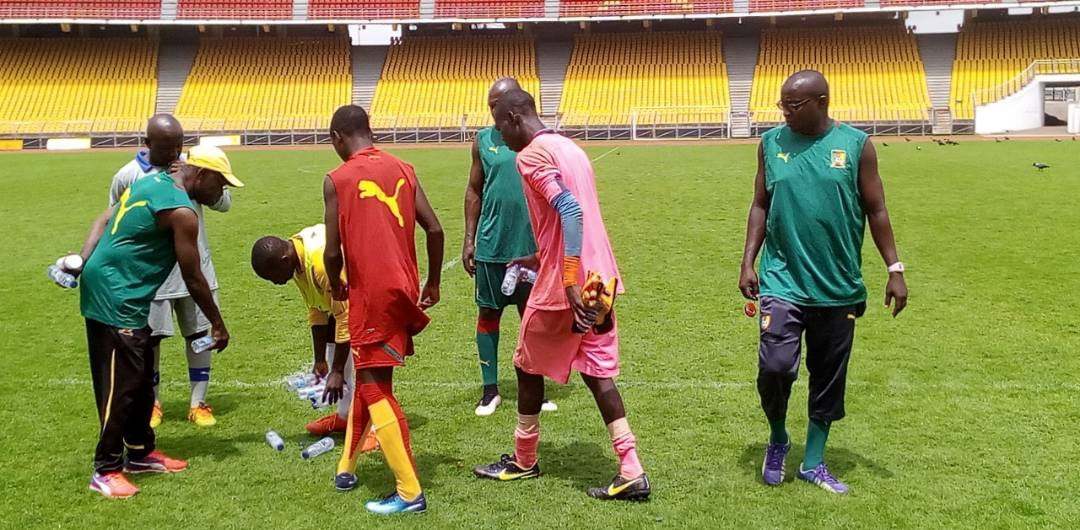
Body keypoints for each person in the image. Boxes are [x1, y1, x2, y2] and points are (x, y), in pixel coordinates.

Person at [472, 89, 650, 501]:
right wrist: (538, 256)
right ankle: (631, 468)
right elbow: (573, 218)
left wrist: (566, 276)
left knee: (525, 366)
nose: (499, 132)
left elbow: (569, 210)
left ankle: (522, 459)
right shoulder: (569, 147)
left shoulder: (530, 156)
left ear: (515, 117)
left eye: (500, 123)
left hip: (565, 286)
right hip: (601, 280)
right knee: (597, 372)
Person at [738, 70, 909, 495]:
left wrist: (895, 268)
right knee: (774, 368)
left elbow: (877, 210)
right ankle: (778, 437)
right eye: (782, 105)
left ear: (822, 102)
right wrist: (748, 262)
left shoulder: (856, 145)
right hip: (783, 280)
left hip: (838, 286)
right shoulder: (771, 144)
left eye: (793, 106)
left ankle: (814, 461)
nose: (785, 113)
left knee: (828, 376)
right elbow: (760, 204)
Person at [66, 145, 241, 499]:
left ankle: (141, 452)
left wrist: (82, 258)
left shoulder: (150, 182)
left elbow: (103, 217)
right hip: (114, 295)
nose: (220, 193)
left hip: (127, 293)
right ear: (202, 175)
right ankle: (106, 469)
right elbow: (193, 278)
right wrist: (218, 324)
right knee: (121, 384)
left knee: (143, 374)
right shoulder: (182, 211)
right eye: (220, 184)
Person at [323, 105, 444, 514]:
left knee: (373, 387)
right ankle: (347, 466)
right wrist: (433, 282)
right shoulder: (404, 168)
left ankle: (409, 492)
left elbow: (331, 250)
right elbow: (436, 228)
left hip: (371, 295)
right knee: (377, 379)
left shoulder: (337, 179)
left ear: (338, 138)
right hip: (403, 290)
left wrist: (337, 282)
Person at [108, 114, 232, 428]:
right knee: (151, 340)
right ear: (148, 144)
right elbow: (114, 219)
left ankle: (198, 402)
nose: (174, 152)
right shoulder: (128, 175)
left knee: (199, 335)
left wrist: (193, 184)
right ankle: (153, 403)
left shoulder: (192, 167)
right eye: (166, 147)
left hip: (196, 270)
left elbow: (224, 202)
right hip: (152, 277)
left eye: (179, 144)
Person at [463, 77, 555, 416]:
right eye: (489, 106)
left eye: (497, 105)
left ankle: (535, 389)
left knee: (531, 317)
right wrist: (469, 238)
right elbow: (474, 190)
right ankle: (490, 390)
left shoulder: (538, 142)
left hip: (530, 246)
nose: (492, 112)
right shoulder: (483, 141)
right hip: (492, 244)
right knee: (489, 314)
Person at [249, 226, 378, 450]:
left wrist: (336, 371)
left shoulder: (319, 264)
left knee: (363, 354)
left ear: (283, 259)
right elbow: (317, 309)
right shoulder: (295, 258)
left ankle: (373, 428)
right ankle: (346, 416)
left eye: (273, 276)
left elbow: (345, 317)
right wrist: (320, 360)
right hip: (347, 298)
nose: (276, 283)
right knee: (332, 338)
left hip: (373, 288)